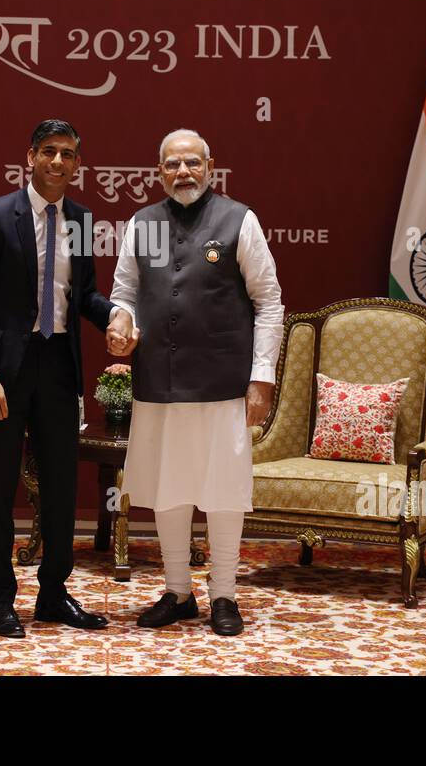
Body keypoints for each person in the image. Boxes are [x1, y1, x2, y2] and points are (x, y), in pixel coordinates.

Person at [0, 118, 134, 637]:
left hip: (59, 368)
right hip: (3, 373)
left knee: (60, 490)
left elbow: (85, 299)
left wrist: (118, 316)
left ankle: (54, 594)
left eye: (69, 154)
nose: (59, 162)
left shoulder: (79, 219)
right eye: (50, 152)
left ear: (79, 164)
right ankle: (1, 602)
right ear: (29, 157)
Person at [106, 129, 283, 635]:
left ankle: (224, 594)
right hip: (158, 380)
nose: (182, 172)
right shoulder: (142, 225)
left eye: (191, 163)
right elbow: (124, 293)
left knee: (224, 492)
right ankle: (178, 591)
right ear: (158, 172)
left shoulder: (238, 220)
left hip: (223, 383)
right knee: (169, 490)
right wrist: (120, 322)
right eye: (170, 165)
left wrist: (262, 377)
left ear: (211, 166)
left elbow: (270, 303)